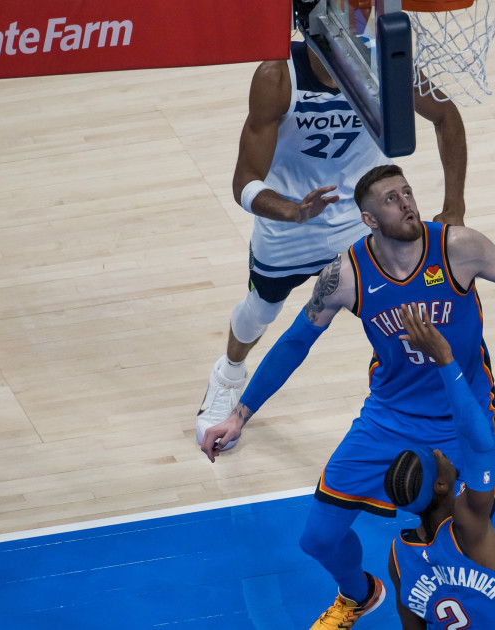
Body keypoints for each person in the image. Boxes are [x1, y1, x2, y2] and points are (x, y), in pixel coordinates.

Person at [199, 164, 495, 630]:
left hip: (459, 416)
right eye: (390, 198)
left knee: (475, 550)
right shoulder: (345, 274)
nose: (406, 202)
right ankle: (359, 594)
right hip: (387, 419)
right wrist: (240, 414)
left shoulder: (458, 247)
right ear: (368, 219)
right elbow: (294, 343)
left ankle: (489, 516)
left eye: (407, 192)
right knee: (317, 539)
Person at [195, 40, 468, 449]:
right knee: (261, 311)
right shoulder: (278, 75)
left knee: (412, 308)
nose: (358, 20)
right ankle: (229, 373)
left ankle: (453, 429)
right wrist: (294, 211)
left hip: (360, 217)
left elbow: (446, 116)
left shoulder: (384, 63)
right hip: (289, 219)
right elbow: (244, 184)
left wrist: (454, 206)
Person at [384, 304, 495, 629]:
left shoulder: (399, 556)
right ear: (440, 486)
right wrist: (445, 360)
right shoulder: (468, 525)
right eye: (436, 457)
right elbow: (482, 444)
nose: (441, 451)